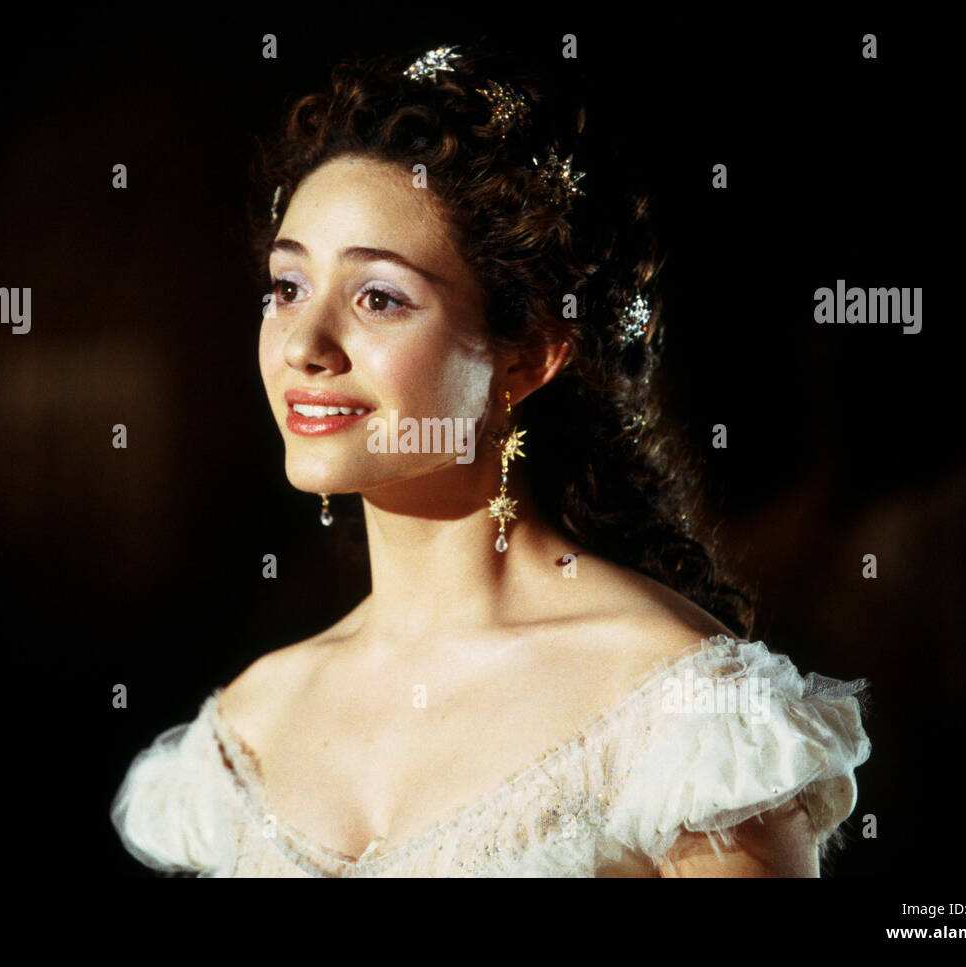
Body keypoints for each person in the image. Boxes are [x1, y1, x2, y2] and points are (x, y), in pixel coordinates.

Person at [111, 42, 871, 877]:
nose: (305, 345)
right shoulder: (249, 728)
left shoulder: (684, 718)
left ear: (527, 356)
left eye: (379, 298)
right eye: (287, 288)